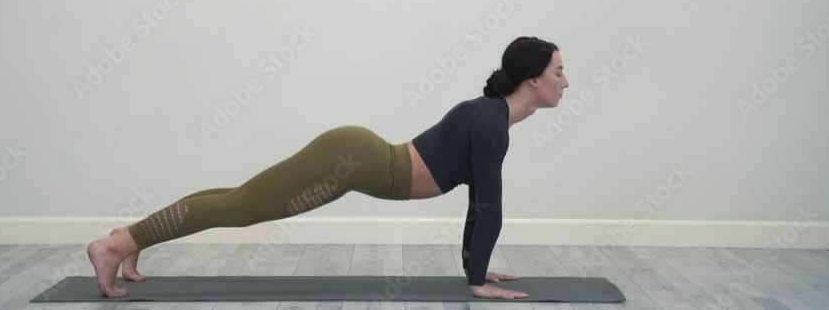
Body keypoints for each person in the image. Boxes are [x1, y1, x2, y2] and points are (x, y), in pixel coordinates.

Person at [87, 36, 569, 300]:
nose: (565, 82)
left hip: (357, 155)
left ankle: (132, 236)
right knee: (241, 207)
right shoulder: (492, 124)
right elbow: (489, 208)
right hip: (351, 163)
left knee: (236, 197)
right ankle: (114, 247)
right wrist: (478, 280)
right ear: (532, 80)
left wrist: (475, 270)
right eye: (558, 72)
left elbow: (478, 207)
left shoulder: (488, 114)